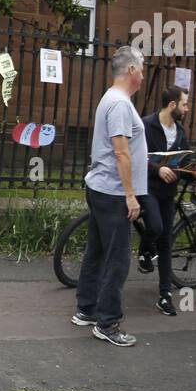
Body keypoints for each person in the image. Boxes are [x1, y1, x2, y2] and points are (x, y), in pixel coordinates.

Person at [73, 45, 147, 346]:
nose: (143, 75)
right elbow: (121, 151)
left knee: (97, 251)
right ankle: (108, 323)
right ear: (131, 70)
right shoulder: (119, 103)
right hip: (114, 192)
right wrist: (130, 196)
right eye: (141, 69)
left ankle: (86, 309)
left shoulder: (113, 99)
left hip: (102, 189)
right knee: (117, 260)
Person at [137, 85, 191, 316]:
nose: (187, 108)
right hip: (147, 187)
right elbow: (135, 156)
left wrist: (192, 172)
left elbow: (184, 161)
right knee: (156, 227)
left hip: (168, 193)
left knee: (166, 243)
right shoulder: (146, 125)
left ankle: (165, 295)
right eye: (185, 104)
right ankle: (144, 251)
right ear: (172, 105)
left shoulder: (180, 132)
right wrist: (157, 170)